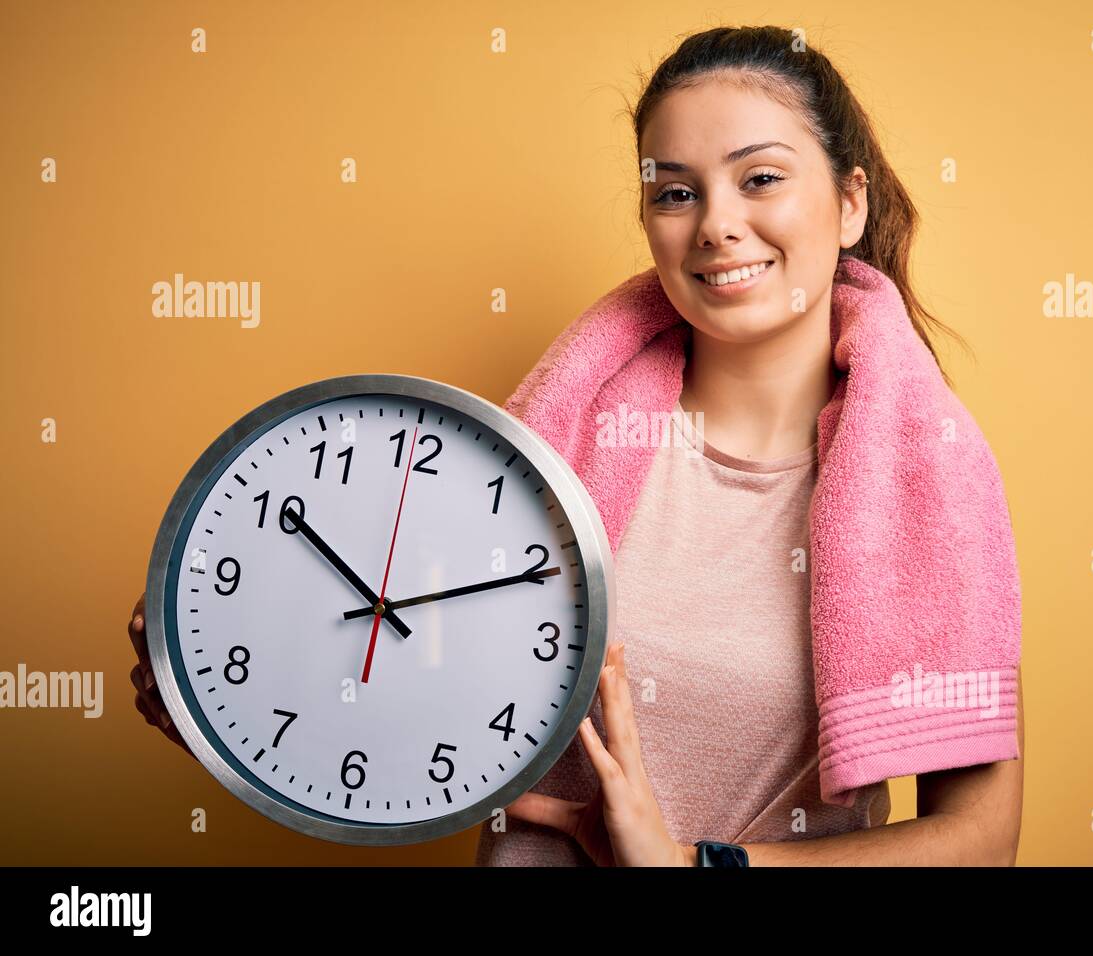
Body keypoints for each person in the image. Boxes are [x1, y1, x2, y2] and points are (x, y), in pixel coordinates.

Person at [127, 25, 1024, 866]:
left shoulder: (924, 477)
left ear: (850, 203)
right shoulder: (541, 459)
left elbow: (981, 838)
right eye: (676, 192)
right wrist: (230, 706)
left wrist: (692, 867)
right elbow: (395, 668)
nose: (716, 224)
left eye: (760, 178)